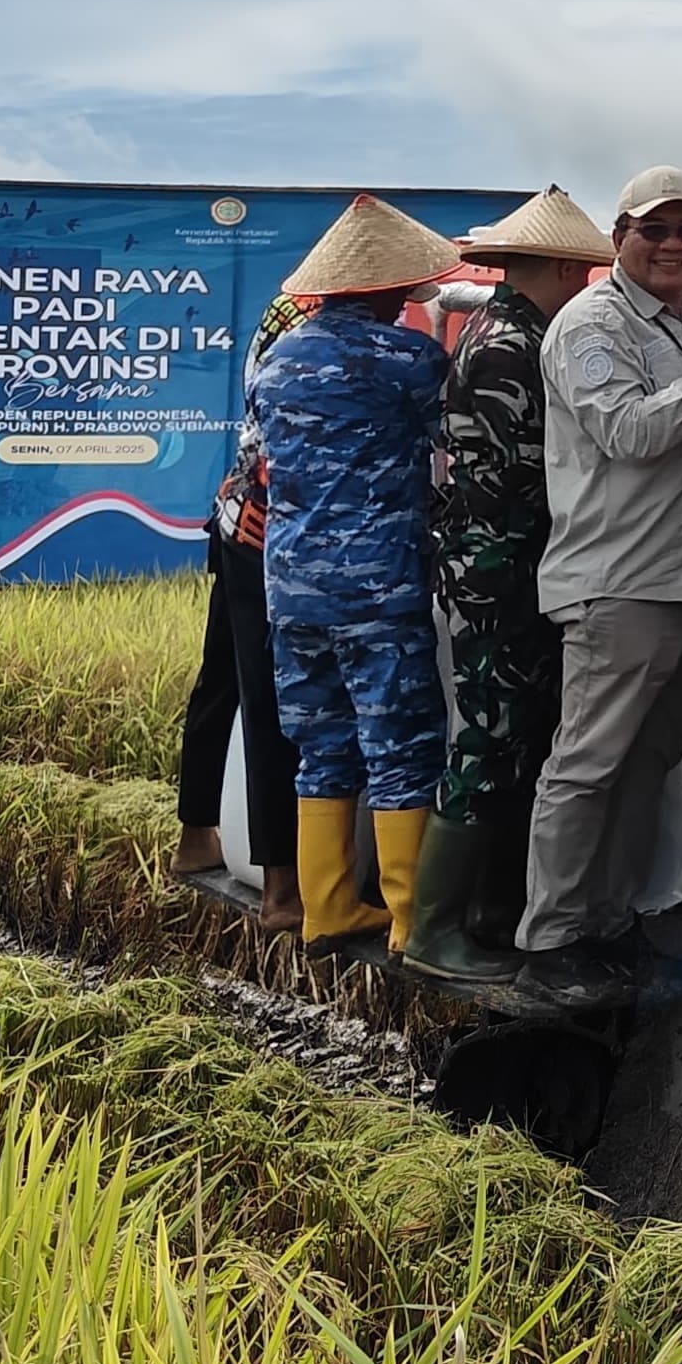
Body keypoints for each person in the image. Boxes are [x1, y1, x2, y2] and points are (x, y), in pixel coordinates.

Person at [515, 166, 682, 1006]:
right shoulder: (593, 323)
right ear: (617, 237)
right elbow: (627, 432)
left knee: (646, 762)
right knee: (588, 765)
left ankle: (606, 920)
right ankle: (549, 939)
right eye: (653, 230)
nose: (672, 246)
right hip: (620, 582)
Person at [408, 186, 614, 983]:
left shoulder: (505, 329)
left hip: (504, 564)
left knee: (520, 738)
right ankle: (436, 930)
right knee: (489, 741)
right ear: (563, 266)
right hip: (499, 569)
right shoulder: (514, 346)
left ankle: (493, 910)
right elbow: (533, 468)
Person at [247, 194, 459, 954]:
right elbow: (455, 441)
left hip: (291, 584)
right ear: (392, 289)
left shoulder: (278, 358)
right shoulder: (407, 358)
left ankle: (328, 907)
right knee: (400, 744)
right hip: (377, 583)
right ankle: (409, 917)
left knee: (322, 745)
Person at [173, 288, 320, 927]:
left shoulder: (284, 307)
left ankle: (196, 835)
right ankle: (280, 888)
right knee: (269, 701)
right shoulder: (322, 327)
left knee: (223, 680)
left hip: (235, 519)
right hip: (268, 530)